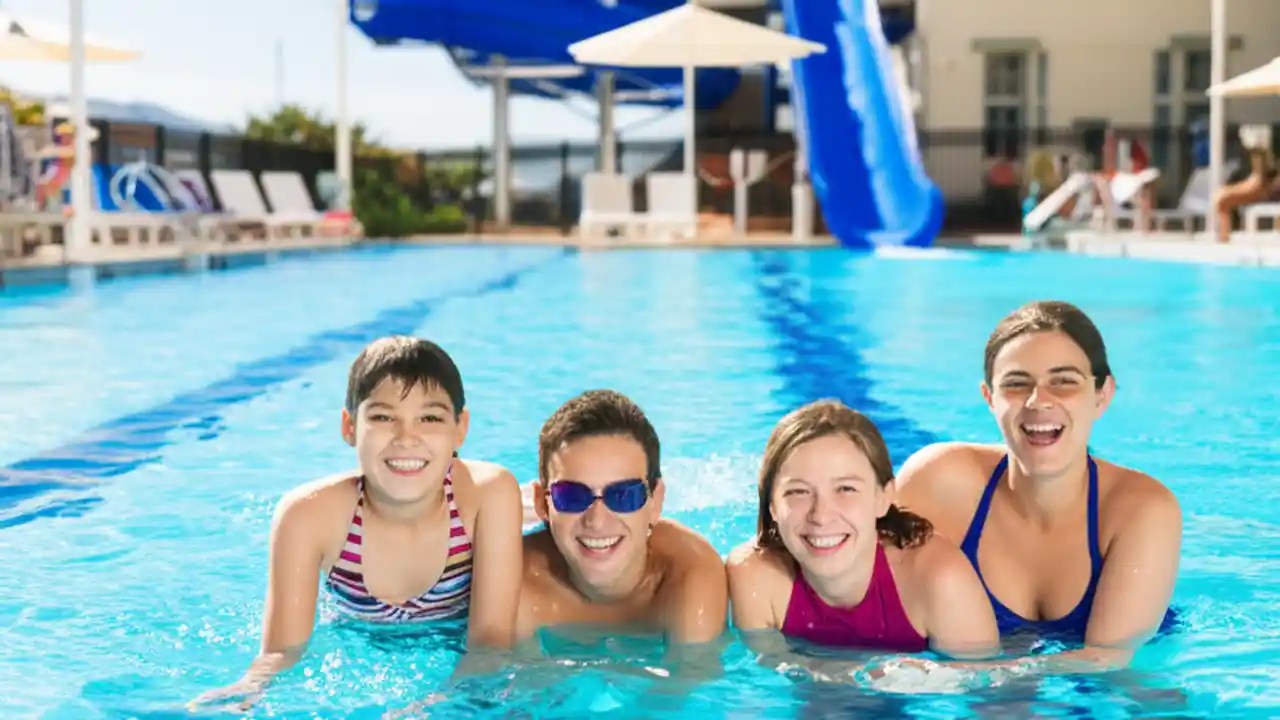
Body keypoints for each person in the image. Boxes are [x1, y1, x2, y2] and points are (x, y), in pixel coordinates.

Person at [192, 336, 524, 710]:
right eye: (383, 417)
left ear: (460, 428)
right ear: (349, 426)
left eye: (429, 418)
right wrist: (252, 685)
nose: (406, 439)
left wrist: (439, 705)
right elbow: (282, 651)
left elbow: (492, 643)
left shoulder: (489, 495)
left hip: (451, 645)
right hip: (357, 636)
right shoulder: (307, 515)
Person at [896, 301, 1182, 670]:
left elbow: (1110, 663)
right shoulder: (939, 483)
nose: (1038, 401)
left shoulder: (1140, 509)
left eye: (1064, 381)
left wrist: (954, 675)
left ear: (1101, 394)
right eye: (1016, 384)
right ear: (989, 398)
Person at [727, 400, 999, 661]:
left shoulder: (937, 579)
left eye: (846, 489)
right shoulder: (754, 577)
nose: (821, 516)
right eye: (798, 492)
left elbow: (990, 691)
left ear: (883, 497)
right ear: (772, 505)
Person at [518, 389, 727, 648]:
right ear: (542, 503)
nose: (596, 520)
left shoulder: (690, 576)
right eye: (571, 495)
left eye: (623, 495)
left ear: (655, 501)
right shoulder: (518, 577)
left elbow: (687, 684)